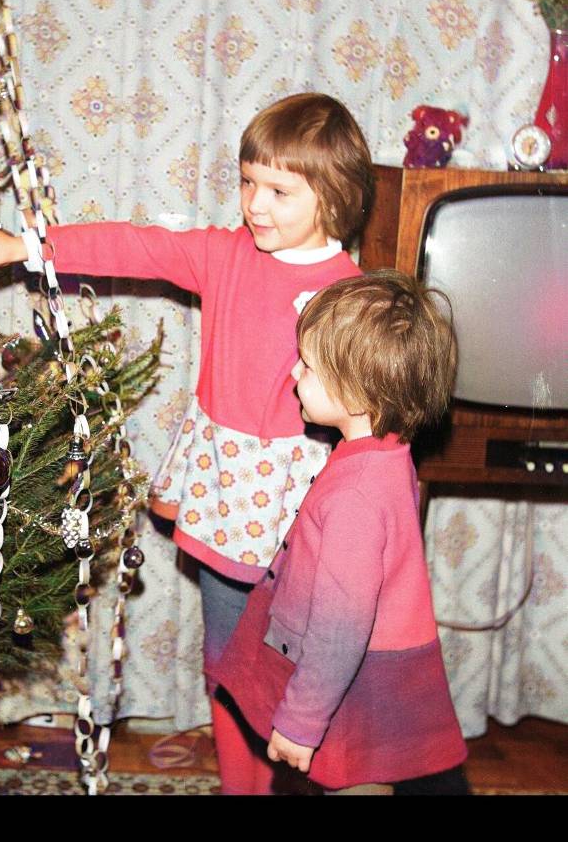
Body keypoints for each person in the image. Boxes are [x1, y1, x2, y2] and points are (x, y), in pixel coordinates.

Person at [0, 93, 374, 793]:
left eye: (278, 191)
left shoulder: (352, 295)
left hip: (309, 516)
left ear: (336, 195)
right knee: (227, 660)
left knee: (307, 665)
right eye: (247, 182)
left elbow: (383, 406)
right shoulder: (225, 255)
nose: (254, 204)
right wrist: (23, 246)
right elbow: (136, 245)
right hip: (228, 503)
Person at [208, 271, 469, 794]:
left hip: (355, 695)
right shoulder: (386, 454)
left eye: (308, 365)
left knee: (356, 784)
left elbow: (339, 630)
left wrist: (302, 723)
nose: (294, 375)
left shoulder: (357, 495)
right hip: (356, 682)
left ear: (356, 390)